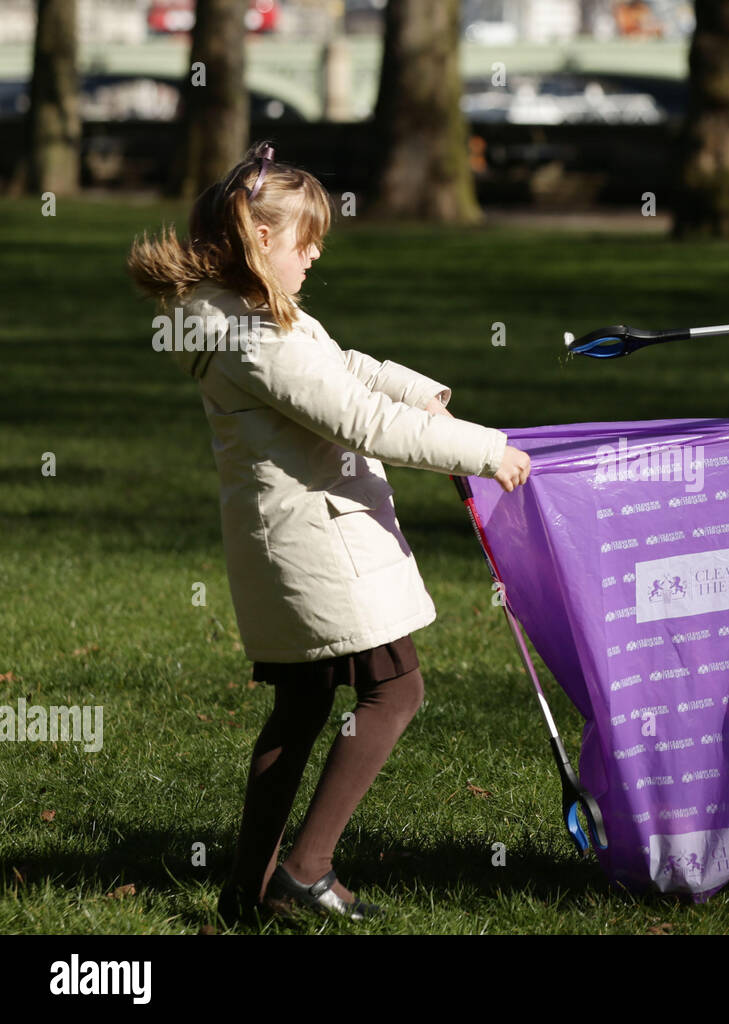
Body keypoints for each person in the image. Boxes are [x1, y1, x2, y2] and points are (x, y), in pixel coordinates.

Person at [127, 141, 532, 927]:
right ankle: (302, 873)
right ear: (259, 239)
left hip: (290, 545)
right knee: (395, 688)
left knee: (304, 706)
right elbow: (355, 417)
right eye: (305, 238)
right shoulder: (249, 336)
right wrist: (487, 451)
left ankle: (248, 890)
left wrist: (427, 396)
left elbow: (344, 367)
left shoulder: (248, 315)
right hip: (319, 550)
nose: (315, 253)